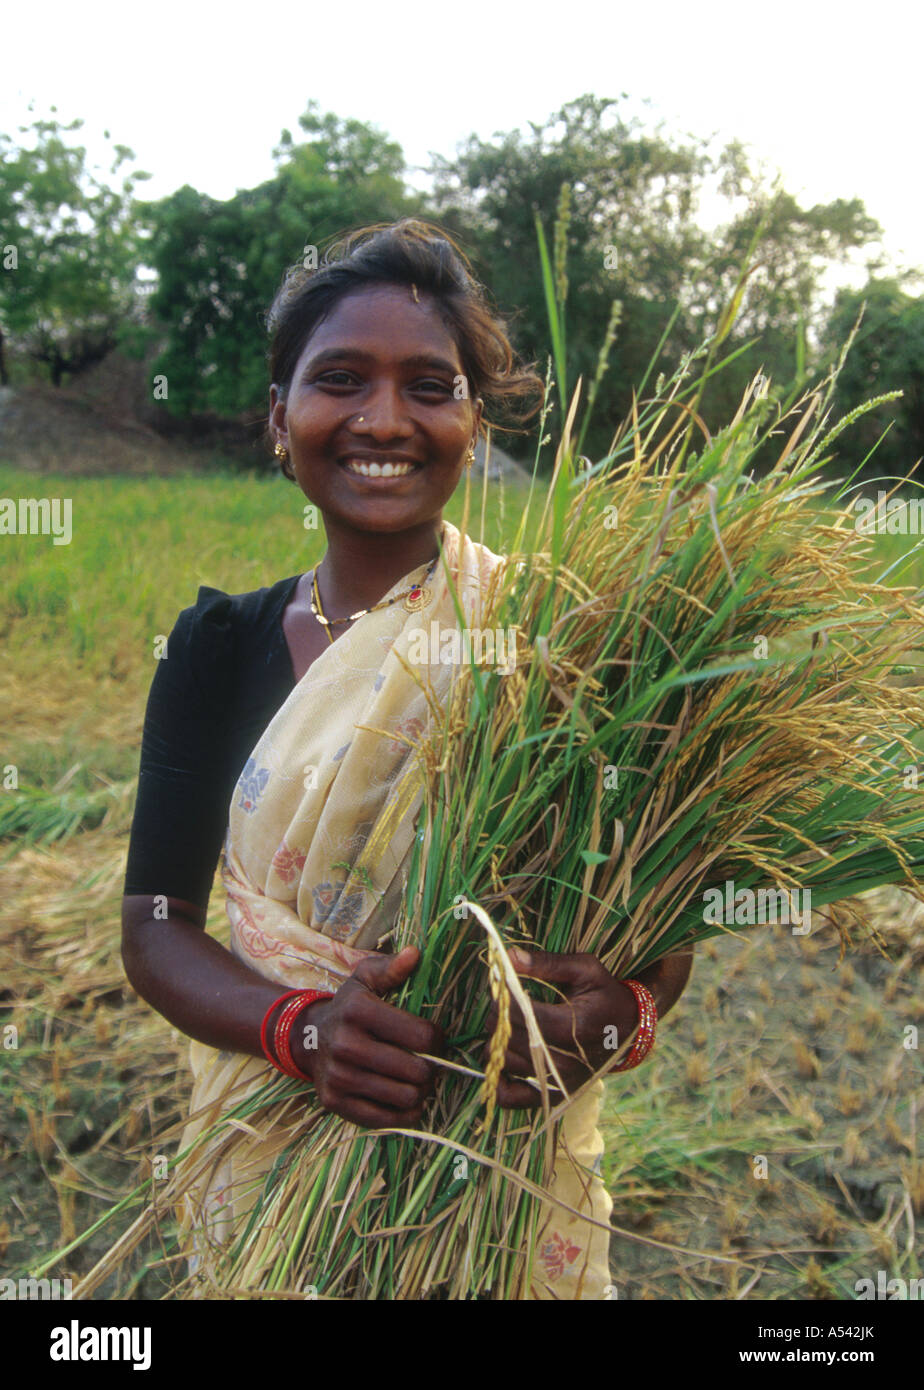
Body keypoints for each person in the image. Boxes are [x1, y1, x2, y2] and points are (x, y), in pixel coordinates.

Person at [121, 218, 694, 1299]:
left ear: (474, 424)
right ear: (280, 419)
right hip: (282, 1169)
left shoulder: (563, 636)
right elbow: (155, 930)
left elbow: (655, 920)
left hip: (507, 1177)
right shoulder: (214, 650)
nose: (384, 418)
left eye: (430, 386)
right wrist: (298, 1027)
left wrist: (620, 1013)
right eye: (340, 380)